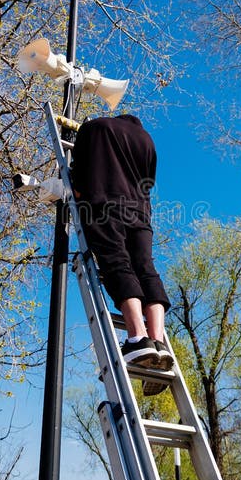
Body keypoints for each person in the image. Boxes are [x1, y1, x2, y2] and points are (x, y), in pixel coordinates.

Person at [71, 113, 172, 393]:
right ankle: (157, 340)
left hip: (104, 206)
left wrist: (79, 193)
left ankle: (137, 338)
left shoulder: (94, 128)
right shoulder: (146, 140)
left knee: (117, 264)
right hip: (141, 214)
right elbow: (148, 183)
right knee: (145, 268)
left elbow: (79, 174)